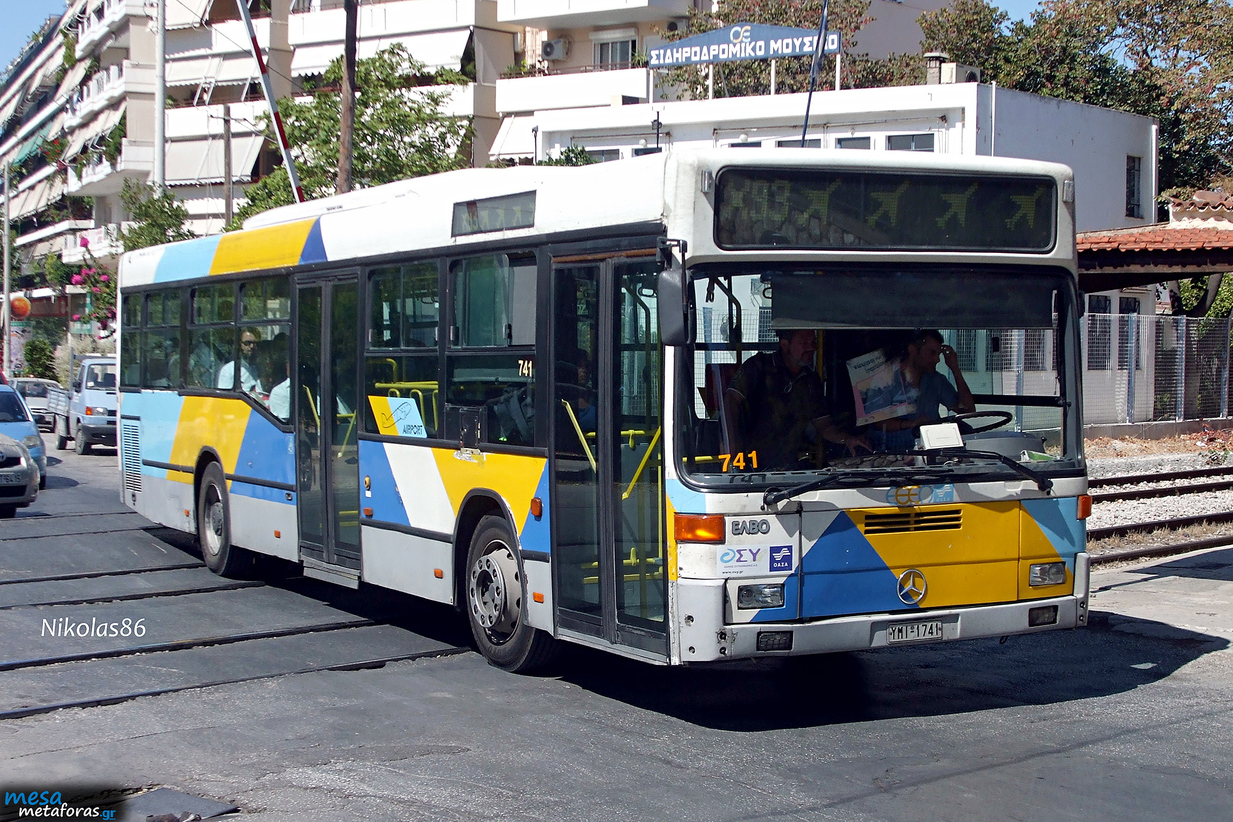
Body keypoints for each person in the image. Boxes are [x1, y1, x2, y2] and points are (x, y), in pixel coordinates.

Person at [723, 329, 868, 471]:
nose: (811, 347)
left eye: (813, 341)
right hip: (749, 467)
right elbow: (730, 400)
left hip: (790, 469)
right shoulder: (758, 366)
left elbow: (823, 425)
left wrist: (847, 439)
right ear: (785, 345)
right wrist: (731, 444)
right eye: (804, 342)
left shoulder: (811, 381)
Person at [870, 329, 975, 452]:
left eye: (938, 354)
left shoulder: (936, 380)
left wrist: (955, 369)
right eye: (931, 353)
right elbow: (876, 421)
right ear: (913, 350)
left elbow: (967, 409)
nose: (937, 360)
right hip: (891, 454)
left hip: (930, 455)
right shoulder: (884, 379)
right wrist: (911, 424)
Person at [217, 328, 263, 394]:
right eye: (247, 343)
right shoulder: (229, 369)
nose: (252, 346)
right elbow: (224, 397)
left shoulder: (261, 368)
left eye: (255, 343)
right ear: (240, 344)